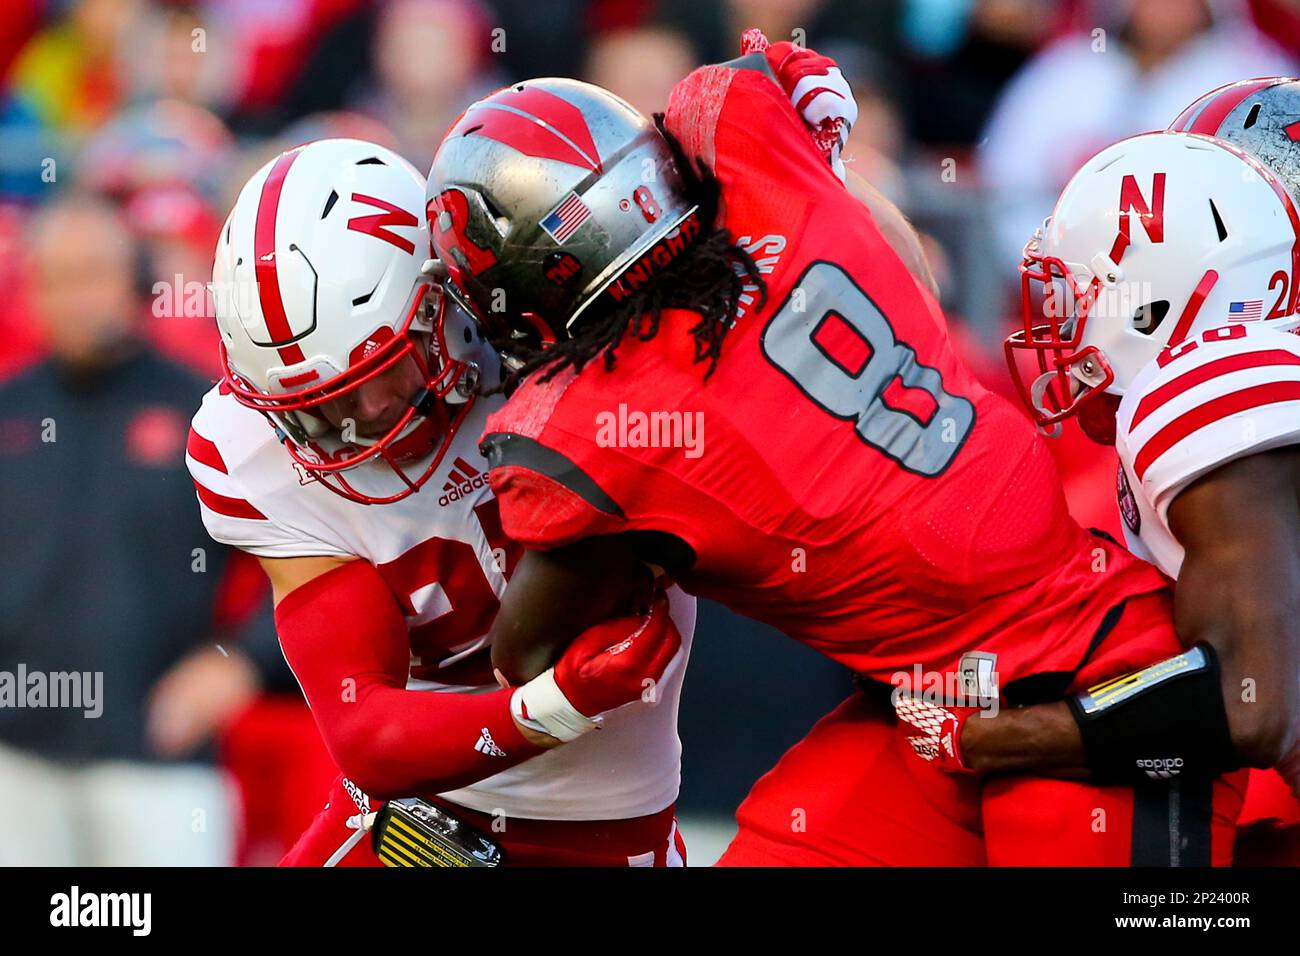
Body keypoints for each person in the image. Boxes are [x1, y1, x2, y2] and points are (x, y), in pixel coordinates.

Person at [425, 35, 1244, 864]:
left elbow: (523, 655)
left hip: (1081, 690)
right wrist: (819, 162)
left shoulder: (591, 429)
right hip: (939, 695)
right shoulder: (761, 169)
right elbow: (763, 79)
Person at [188, 138, 693, 867]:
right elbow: (364, 730)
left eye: (383, 372)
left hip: (612, 832)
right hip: (418, 822)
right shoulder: (245, 449)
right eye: (315, 412)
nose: (364, 421)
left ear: (445, 296)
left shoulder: (560, 331)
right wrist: (551, 707)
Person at [0, 195, 282, 865]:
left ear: (136, 282)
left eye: (92, 272)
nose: (73, 297)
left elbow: (314, 558)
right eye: (56, 278)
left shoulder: (208, 412)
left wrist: (237, 663)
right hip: (15, 759)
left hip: (157, 761)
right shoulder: (8, 410)